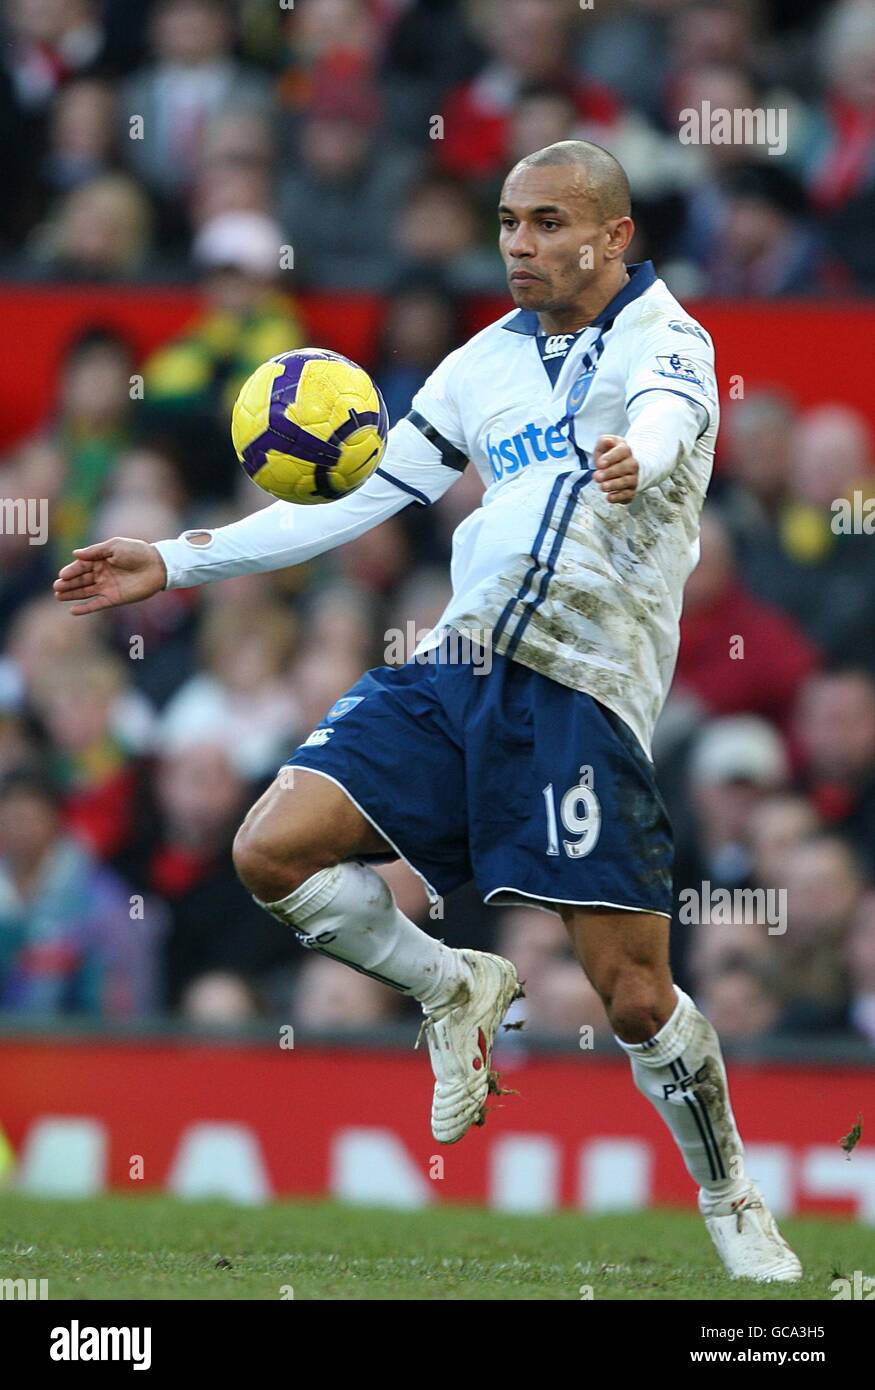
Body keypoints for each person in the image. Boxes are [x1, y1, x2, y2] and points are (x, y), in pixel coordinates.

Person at [53, 139, 800, 1282]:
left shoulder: (671, 343)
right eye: (507, 221)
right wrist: (172, 557)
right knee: (271, 849)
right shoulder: (476, 367)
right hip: (456, 667)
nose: (519, 244)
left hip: (580, 696)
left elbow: (659, 420)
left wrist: (632, 459)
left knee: (637, 997)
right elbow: (352, 504)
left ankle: (728, 1190)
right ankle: (453, 982)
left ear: (612, 236)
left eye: (549, 222)